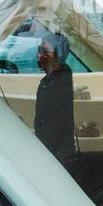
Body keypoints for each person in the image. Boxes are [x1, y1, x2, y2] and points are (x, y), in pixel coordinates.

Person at [32, 31, 76, 165]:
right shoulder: (52, 81)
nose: (40, 55)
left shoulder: (58, 84)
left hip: (55, 157)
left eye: (45, 52)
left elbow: (54, 126)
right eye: (40, 50)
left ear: (58, 56)